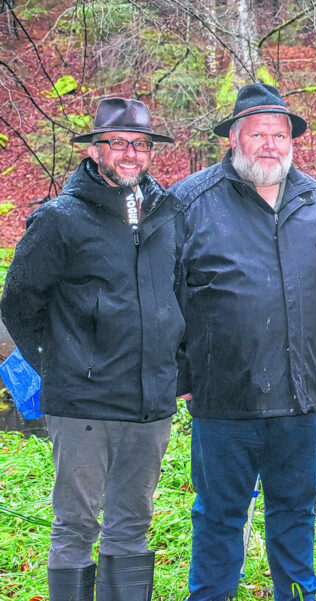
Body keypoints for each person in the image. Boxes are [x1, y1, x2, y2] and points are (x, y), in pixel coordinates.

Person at [170, 83, 316, 601]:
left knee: (295, 509)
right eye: (257, 133)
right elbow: (165, 294)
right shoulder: (190, 202)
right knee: (220, 514)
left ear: (292, 140)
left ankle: (297, 593)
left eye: (280, 133)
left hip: (300, 397)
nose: (270, 144)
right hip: (224, 397)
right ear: (233, 138)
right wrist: (185, 376)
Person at [1, 98, 181, 601]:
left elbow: (183, 295)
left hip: (149, 405)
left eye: (140, 144)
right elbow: (18, 303)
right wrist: (61, 364)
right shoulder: (61, 219)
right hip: (83, 406)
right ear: (95, 148)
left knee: (132, 525)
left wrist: (175, 370)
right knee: (76, 527)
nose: (130, 154)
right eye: (118, 143)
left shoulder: (166, 214)